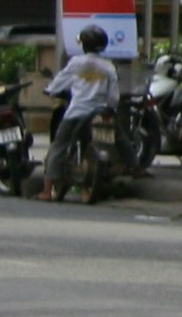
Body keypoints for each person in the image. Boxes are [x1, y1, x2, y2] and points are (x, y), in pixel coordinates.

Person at [42, 26, 122, 199]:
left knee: (59, 145)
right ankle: (133, 167)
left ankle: (47, 191)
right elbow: (114, 96)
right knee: (116, 138)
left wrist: (49, 89)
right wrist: (111, 109)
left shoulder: (77, 62)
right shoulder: (108, 66)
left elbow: (60, 82)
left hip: (77, 112)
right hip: (100, 113)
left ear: (84, 45)